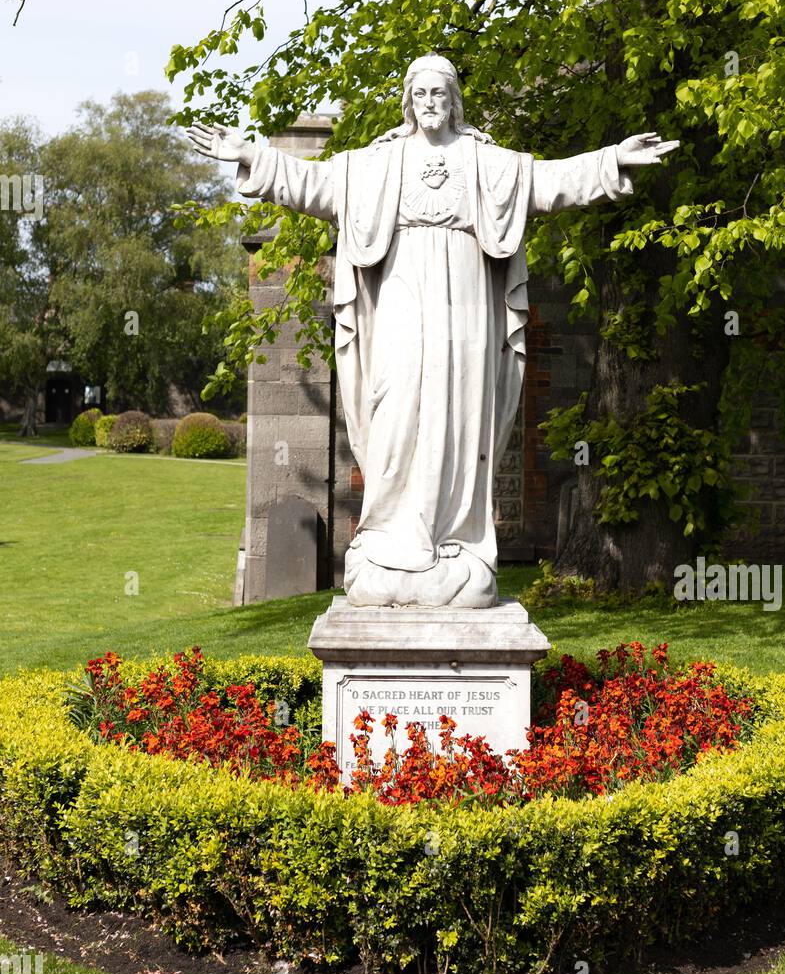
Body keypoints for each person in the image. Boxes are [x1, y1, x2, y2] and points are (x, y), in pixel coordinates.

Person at [187, 54, 678, 608]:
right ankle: (389, 540)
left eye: (439, 94)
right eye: (420, 94)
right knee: (396, 408)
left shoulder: (484, 162)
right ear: (408, 101)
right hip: (399, 298)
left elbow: (547, 182)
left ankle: (455, 544)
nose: (429, 104)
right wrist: (253, 155)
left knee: (460, 417)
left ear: (454, 101)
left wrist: (613, 162)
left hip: (465, 305)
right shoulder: (378, 164)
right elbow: (316, 184)